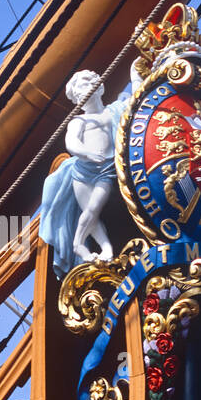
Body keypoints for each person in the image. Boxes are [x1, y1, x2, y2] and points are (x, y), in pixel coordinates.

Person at [39, 69, 118, 278]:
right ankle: (103, 246)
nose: (84, 91)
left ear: (99, 87)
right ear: (76, 100)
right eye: (78, 90)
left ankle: (78, 243)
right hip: (82, 171)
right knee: (90, 213)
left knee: (94, 207)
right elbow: (71, 143)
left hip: (107, 169)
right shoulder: (79, 121)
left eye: (87, 84)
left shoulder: (113, 112)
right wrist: (87, 154)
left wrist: (136, 77)